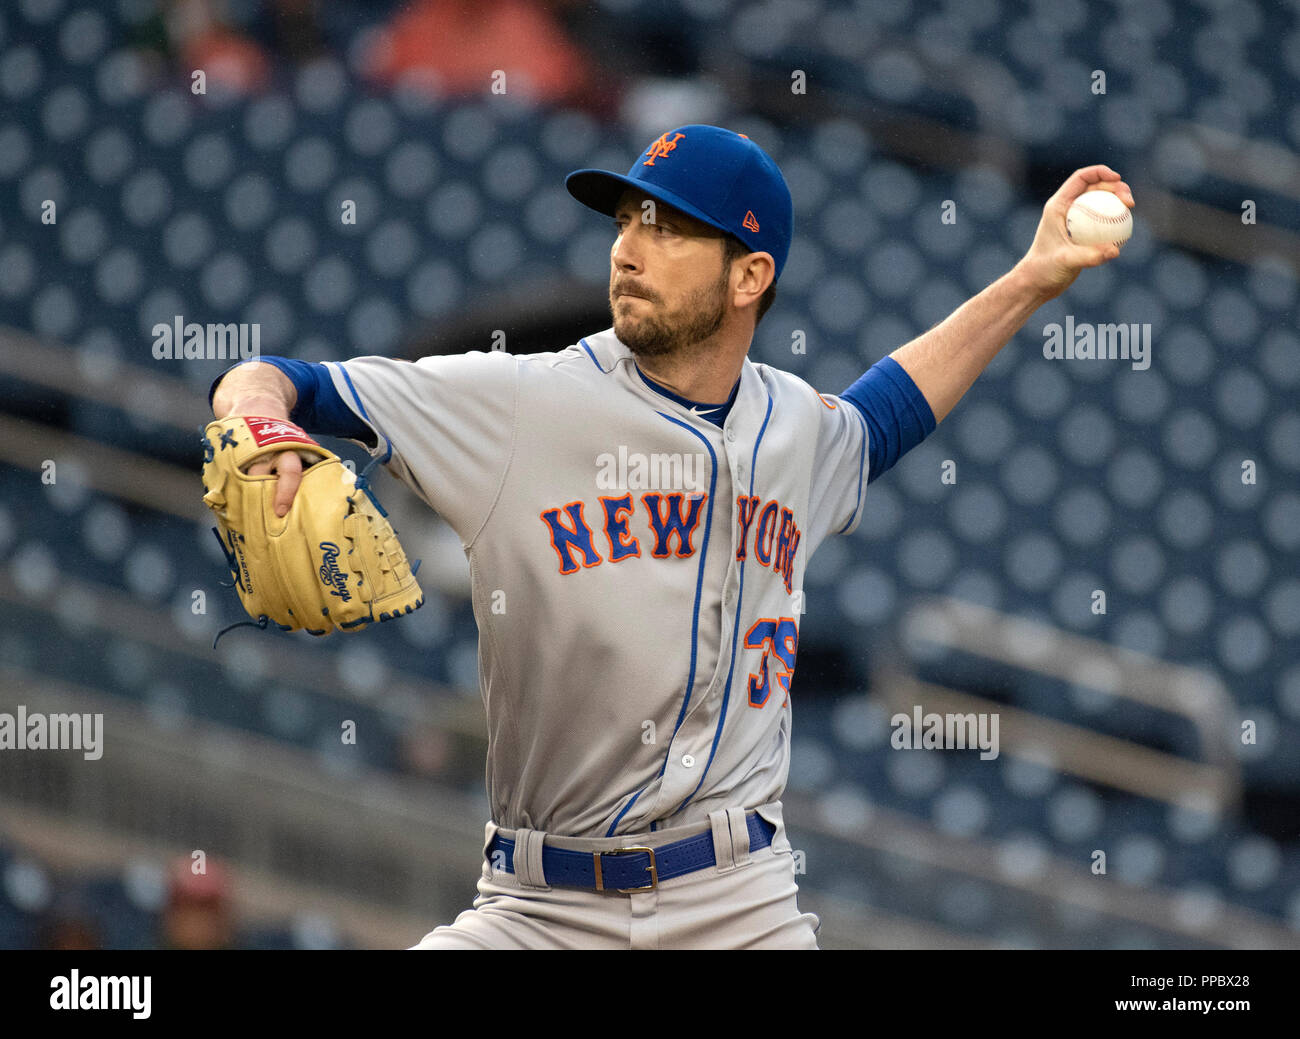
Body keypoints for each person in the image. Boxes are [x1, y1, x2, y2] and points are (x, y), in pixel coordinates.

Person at [209, 125, 1132, 949]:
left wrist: (1033, 277)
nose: (628, 249)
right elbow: (285, 378)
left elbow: (886, 414)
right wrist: (261, 418)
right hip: (540, 908)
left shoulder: (793, 428)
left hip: (738, 903)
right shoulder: (521, 402)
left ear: (750, 275)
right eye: (626, 221)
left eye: (668, 227)